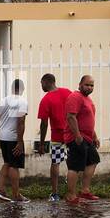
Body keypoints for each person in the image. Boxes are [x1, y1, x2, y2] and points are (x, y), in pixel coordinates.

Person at [35, 73, 72, 201]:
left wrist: (41, 143)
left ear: (46, 82)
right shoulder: (67, 92)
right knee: (71, 163)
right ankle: (72, 191)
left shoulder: (46, 100)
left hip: (57, 135)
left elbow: (44, 124)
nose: (41, 86)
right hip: (71, 133)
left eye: (41, 83)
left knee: (56, 162)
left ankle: (55, 193)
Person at [65, 75, 101, 203]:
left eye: (92, 85)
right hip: (77, 138)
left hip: (87, 138)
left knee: (93, 160)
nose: (90, 87)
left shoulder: (88, 100)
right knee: (74, 167)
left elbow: (88, 121)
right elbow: (71, 117)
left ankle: (85, 191)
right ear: (80, 84)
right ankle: (71, 195)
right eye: (87, 85)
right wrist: (77, 136)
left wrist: (94, 136)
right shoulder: (75, 97)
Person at [0, 78, 29, 203]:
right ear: (22, 89)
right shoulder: (22, 101)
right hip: (14, 138)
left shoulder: (2, 101)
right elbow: (21, 122)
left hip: (3, 136)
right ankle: (16, 195)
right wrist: (20, 142)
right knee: (14, 165)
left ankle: (1, 190)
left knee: (7, 162)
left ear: (11, 88)